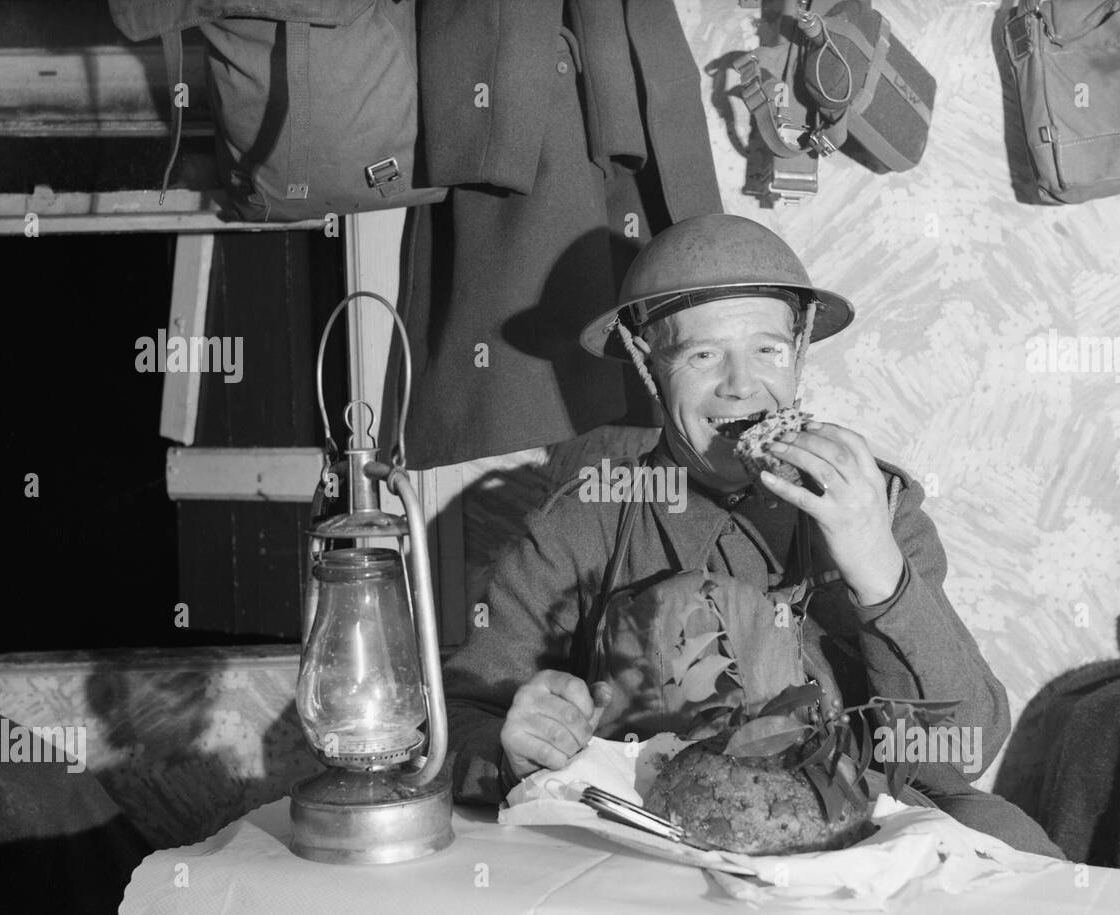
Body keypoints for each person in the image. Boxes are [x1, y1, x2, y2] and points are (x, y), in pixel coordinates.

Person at [441, 213, 1062, 858]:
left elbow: (956, 757)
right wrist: (513, 749)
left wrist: (876, 566)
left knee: (1019, 851)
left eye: (766, 349)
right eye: (704, 355)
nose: (741, 385)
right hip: (667, 838)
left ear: (799, 352)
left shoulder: (875, 503)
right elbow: (456, 726)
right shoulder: (585, 522)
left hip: (867, 835)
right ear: (648, 364)